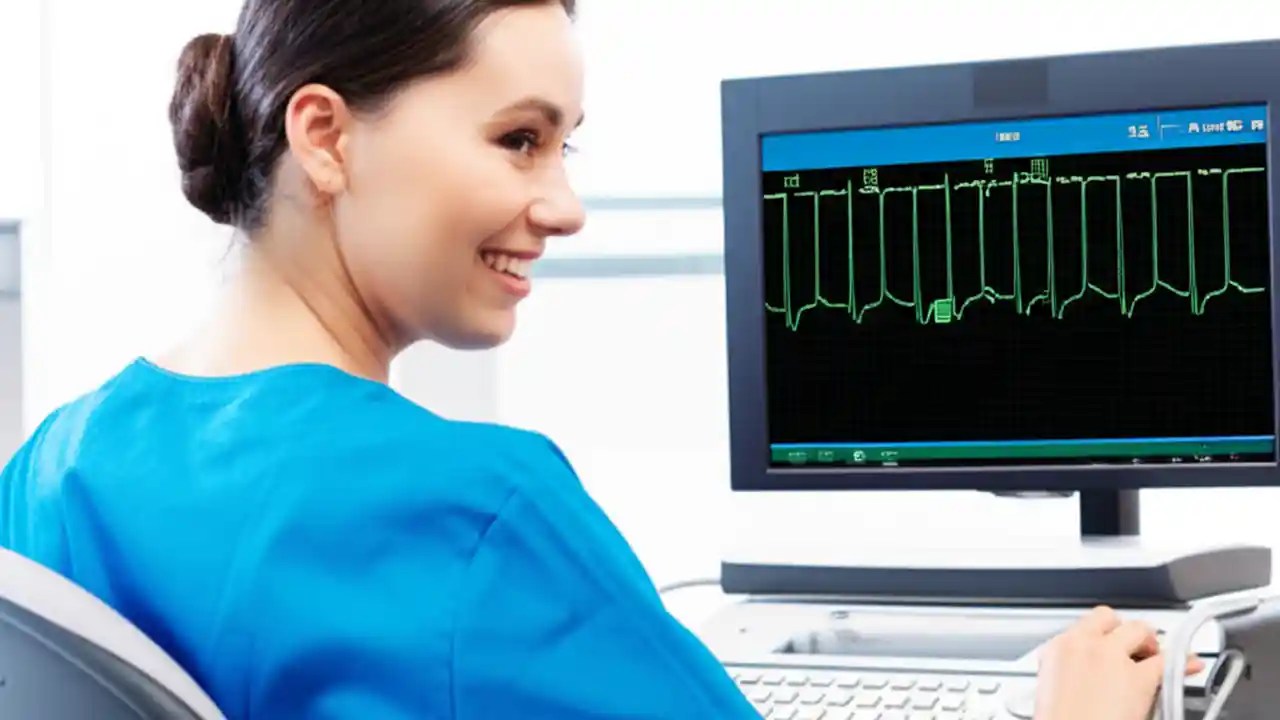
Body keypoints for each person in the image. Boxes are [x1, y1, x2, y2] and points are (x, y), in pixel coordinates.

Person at [0, 1, 1199, 718]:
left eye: (565, 147)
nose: (563, 205)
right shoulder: (474, 506)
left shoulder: (51, 464)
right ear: (322, 136)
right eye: (517, 140)